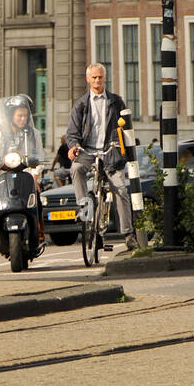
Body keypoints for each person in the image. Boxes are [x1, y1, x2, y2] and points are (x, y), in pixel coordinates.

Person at [66, 63, 136, 250]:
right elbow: (72, 132)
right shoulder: (80, 104)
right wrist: (73, 147)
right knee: (76, 169)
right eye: (94, 77)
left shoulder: (115, 101)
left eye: (100, 77)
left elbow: (126, 126)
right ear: (88, 79)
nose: (97, 81)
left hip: (110, 150)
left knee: (120, 189)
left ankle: (128, 234)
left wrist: (123, 148)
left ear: (105, 78)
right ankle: (84, 210)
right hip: (88, 151)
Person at [0, 94, 45, 273]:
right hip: (5, 175)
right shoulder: (1, 133)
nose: (22, 119)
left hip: (26, 175)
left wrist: (36, 174)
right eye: (18, 116)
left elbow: (40, 155)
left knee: (37, 201)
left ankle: (39, 232)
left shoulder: (33, 134)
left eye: (24, 116)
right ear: (11, 116)